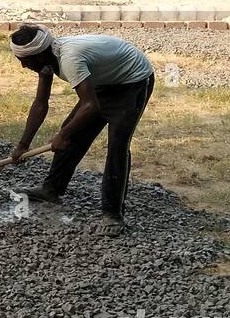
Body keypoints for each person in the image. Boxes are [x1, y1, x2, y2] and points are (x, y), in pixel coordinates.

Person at [8, 24, 155, 235]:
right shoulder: (46, 62)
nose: (23, 66)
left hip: (132, 80)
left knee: (117, 146)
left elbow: (90, 105)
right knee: (72, 131)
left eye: (24, 61)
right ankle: (51, 189)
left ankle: (113, 216)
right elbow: (41, 103)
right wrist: (23, 145)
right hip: (104, 79)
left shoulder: (69, 59)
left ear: (38, 55)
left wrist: (63, 135)